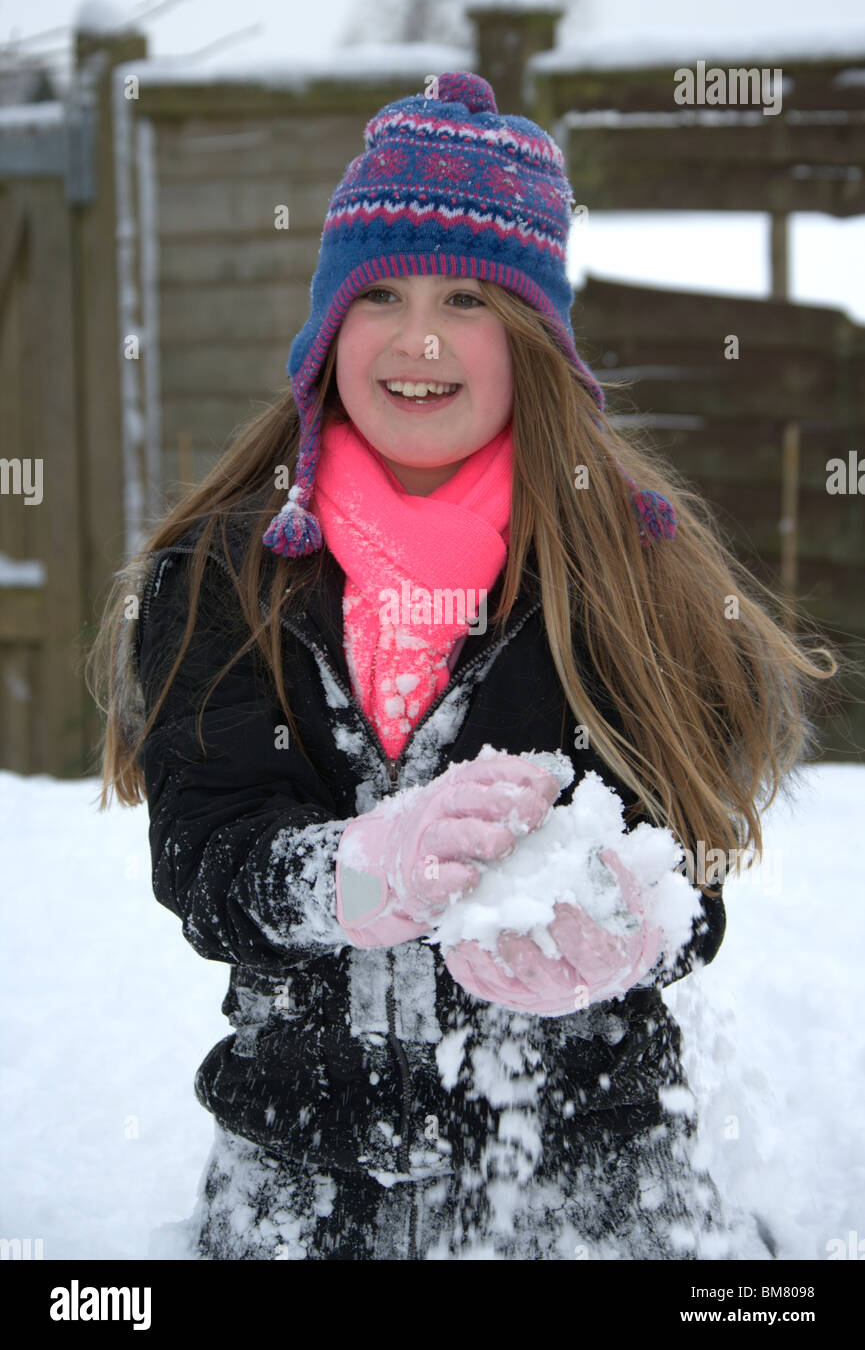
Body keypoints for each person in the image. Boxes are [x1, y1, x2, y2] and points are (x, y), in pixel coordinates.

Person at [87, 71, 835, 1261]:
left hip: (593, 1192)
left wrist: (631, 915)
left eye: (467, 297)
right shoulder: (224, 574)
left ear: (533, 338)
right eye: (378, 290)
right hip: (302, 1199)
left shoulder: (623, 573)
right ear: (327, 330)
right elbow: (205, 860)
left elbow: (692, 865)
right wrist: (346, 877)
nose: (418, 337)